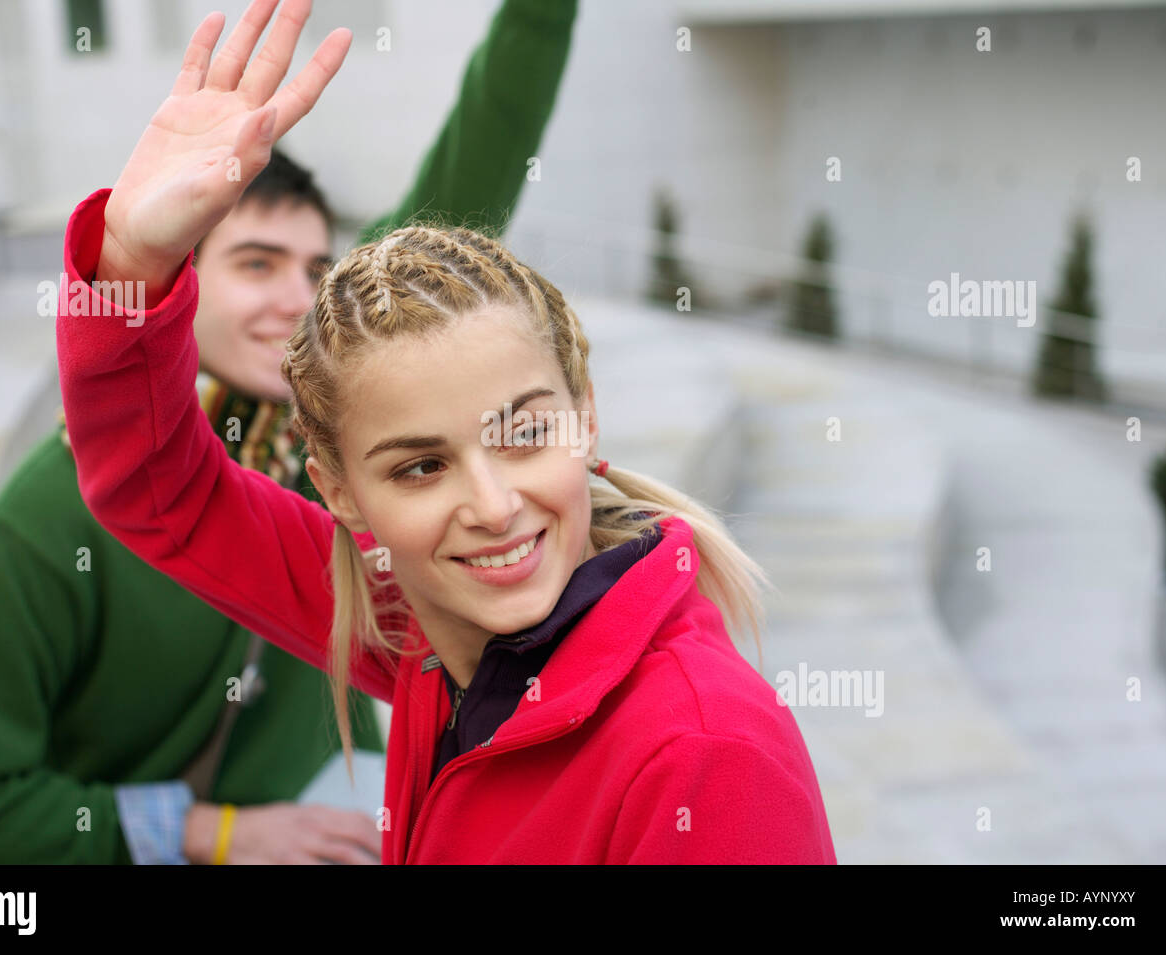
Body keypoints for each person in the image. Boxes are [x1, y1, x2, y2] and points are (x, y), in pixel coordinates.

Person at [58, 2, 836, 863]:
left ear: (585, 417)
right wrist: (130, 257)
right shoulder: (424, 621)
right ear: (341, 489)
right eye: (422, 466)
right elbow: (160, 489)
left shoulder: (706, 760)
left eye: (523, 433)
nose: (494, 505)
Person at [0, 0, 578, 864]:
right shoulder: (45, 520)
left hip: (361, 817)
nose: (297, 298)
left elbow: (485, 145)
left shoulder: (330, 431)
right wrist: (208, 833)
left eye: (316, 269)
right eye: (256, 264)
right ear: (184, 268)